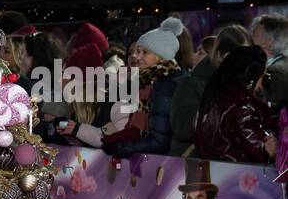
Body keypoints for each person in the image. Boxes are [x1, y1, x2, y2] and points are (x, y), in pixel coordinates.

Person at [103, 18, 185, 155]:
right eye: (137, 51)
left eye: (144, 52)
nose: (136, 56)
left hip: (161, 163)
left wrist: (121, 147)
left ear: (162, 57)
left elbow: (160, 140)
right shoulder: (147, 81)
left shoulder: (164, 86)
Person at [170, 23, 250, 156]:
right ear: (219, 55)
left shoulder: (248, 86)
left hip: (236, 168)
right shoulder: (191, 84)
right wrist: (218, 111)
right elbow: (181, 127)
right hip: (195, 167)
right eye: (236, 56)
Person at [194, 45, 274, 164]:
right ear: (251, 78)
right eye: (263, 76)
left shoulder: (214, 95)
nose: (261, 84)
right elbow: (256, 149)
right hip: (238, 175)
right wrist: (270, 148)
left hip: (213, 173)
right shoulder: (242, 105)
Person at [251, 14, 288, 113]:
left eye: (254, 34)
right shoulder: (282, 66)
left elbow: (267, 113)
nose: (250, 39)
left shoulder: (274, 74)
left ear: (268, 42)